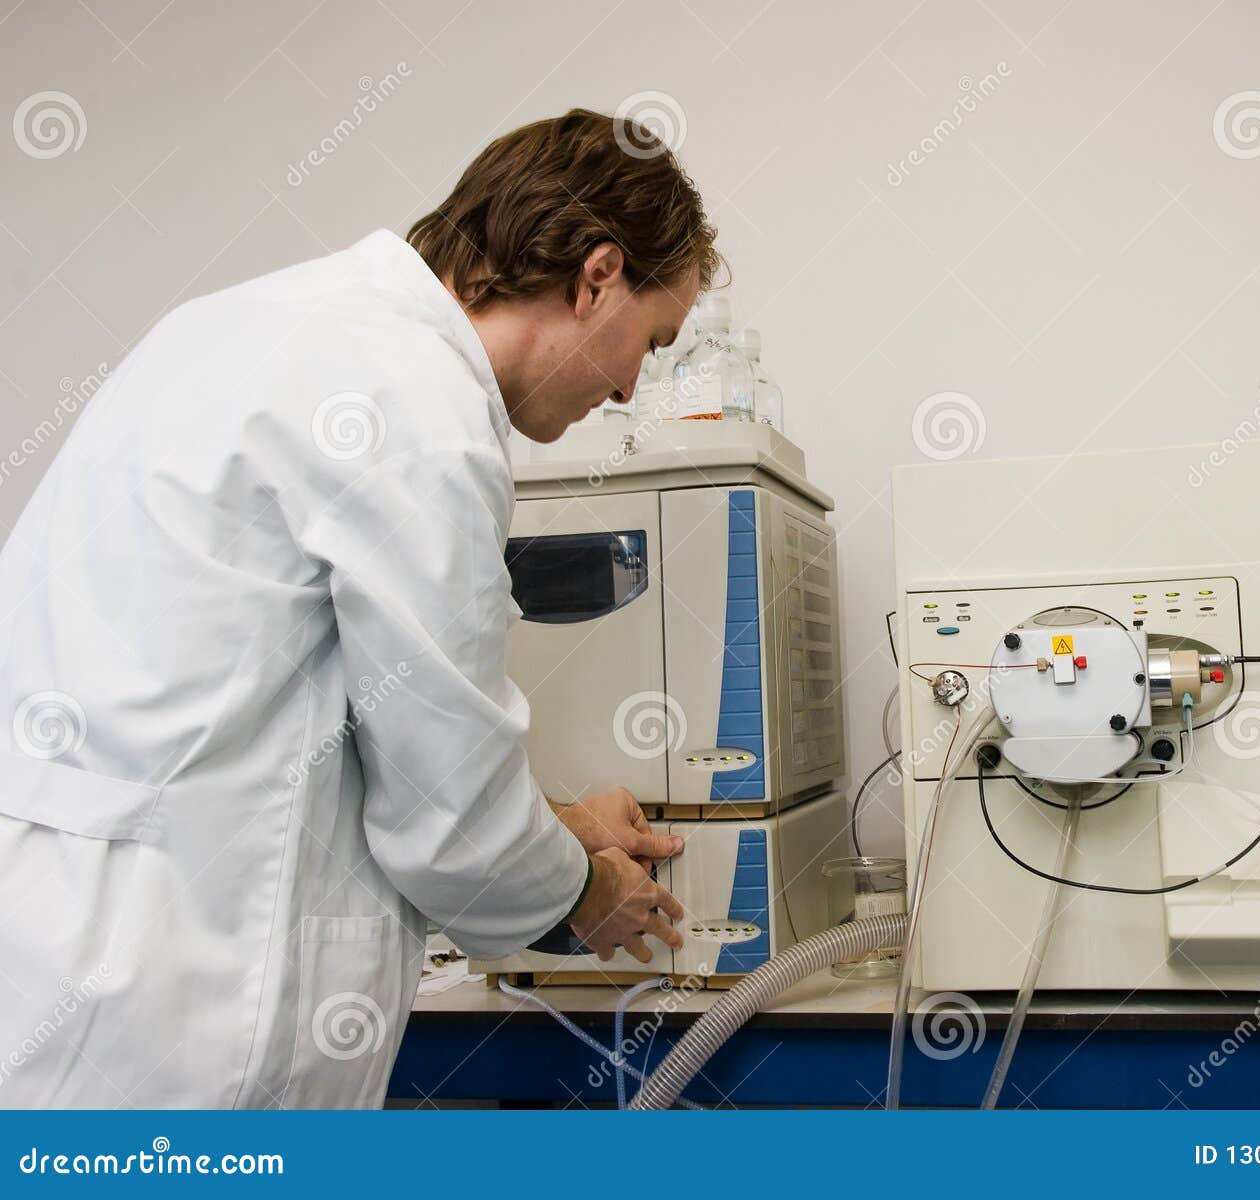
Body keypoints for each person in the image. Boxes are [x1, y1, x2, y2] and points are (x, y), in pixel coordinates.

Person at [0, 108, 722, 1108]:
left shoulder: (243, 326)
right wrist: (593, 892)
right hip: (180, 1017)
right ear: (598, 276)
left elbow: (295, 721)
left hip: (63, 960)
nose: (631, 385)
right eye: (652, 339)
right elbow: (452, 829)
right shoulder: (418, 416)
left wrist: (552, 824)